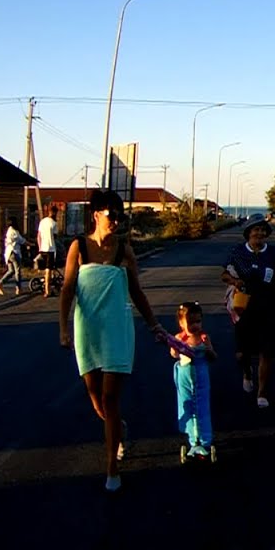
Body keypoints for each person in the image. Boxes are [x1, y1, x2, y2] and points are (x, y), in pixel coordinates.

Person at [58, 190, 165, 492]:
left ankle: (112, 468)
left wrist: (154, 325)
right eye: (111, 215)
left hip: (118, 330)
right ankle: (117, 427)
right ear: (96, 215)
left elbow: (137, 292)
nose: (116, 221)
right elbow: (67, 289)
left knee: (109, 398)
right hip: (87, 330)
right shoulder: (79, 247)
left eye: (120, 216)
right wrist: (63, 329)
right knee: (95, 396)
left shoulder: (124, 251)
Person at [221, 218, 275, 409]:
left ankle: (262, 392)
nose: (259, 233)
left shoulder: (272, 253)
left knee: (267, 351)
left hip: (268, 306)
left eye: (262, 230)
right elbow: (224, 274)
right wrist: (235, 281)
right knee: (243, 352)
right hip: (245, 306)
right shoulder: (238, 252)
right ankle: (247, 372)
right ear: (248, 232)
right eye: (255, 230)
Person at [168, 302, 216, 459]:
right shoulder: (180, 338)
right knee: (187, 404)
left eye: (198, 321)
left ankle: (205, 439)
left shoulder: (203, 338)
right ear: (181, 323)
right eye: (190, 322)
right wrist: (176, 347)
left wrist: (209, 350)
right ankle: (192, 438)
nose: (195, 326)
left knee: (202, 405)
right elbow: (174, 354)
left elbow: (213, 357)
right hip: (185, 374)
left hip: (200, 374)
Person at [0, 216, 26, 296]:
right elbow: (22, 241)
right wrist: (31, 244)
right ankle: (18, 289)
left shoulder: (8, 231)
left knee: (11, 271)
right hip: (14, 252)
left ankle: (0, 283)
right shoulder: (14, 232)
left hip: (8, 253)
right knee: (17, 271)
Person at [37, 205, 59, 297]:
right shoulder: (54, 223)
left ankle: (46, 285)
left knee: (45, 269)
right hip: (51, 248)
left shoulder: (42, 222)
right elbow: (55, 236)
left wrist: (39, 247)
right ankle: (47, 290)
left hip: (43, 248)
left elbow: (38, 236)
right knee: (48, 269)